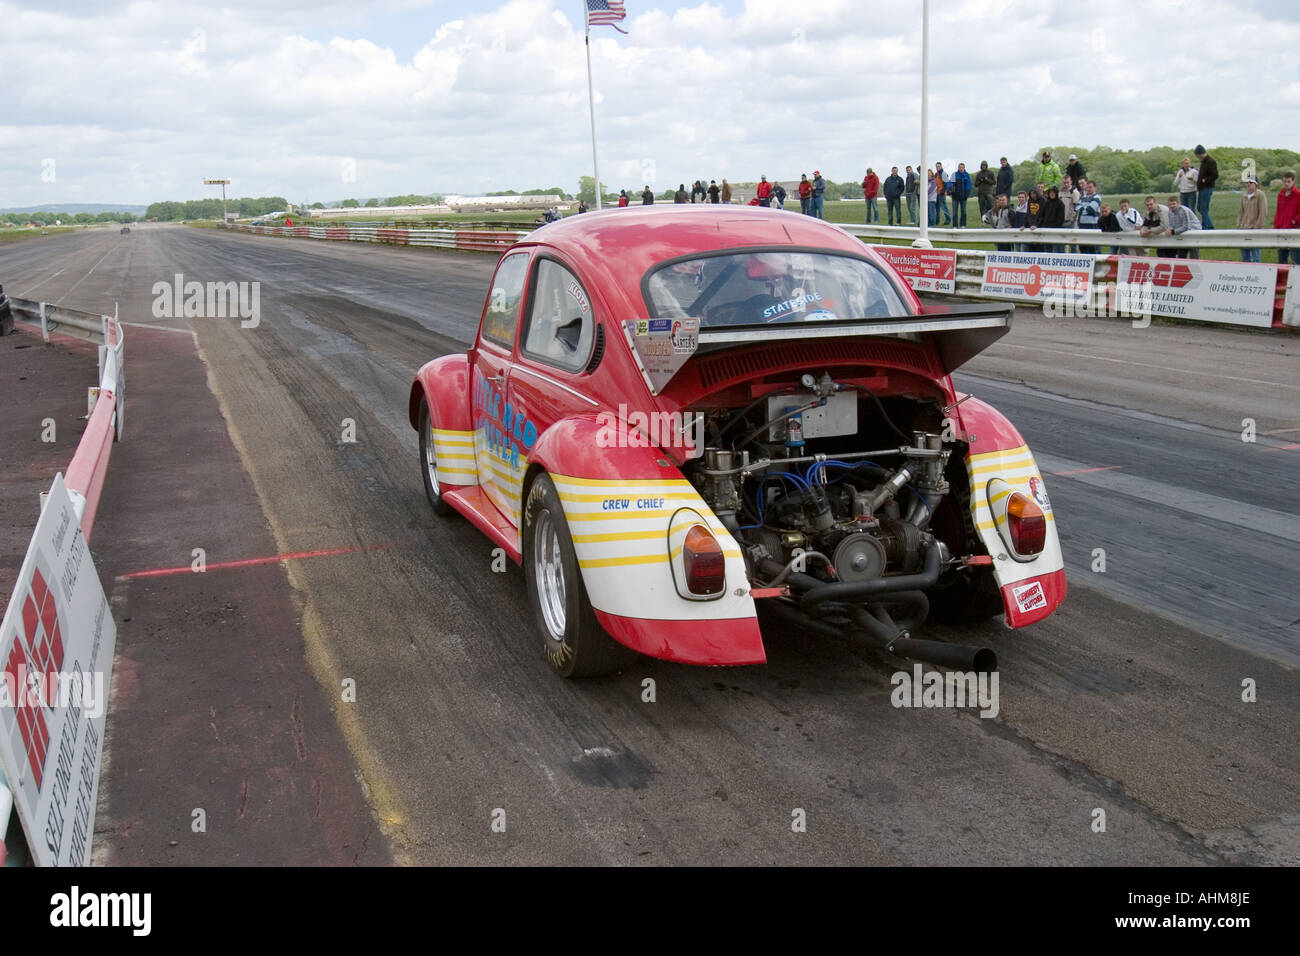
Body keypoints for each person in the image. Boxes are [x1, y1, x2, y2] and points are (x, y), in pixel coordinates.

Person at [1236, 176, 1268, 262]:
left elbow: (1263, 212)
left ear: (1256, 184)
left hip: (1254, 229)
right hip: (1243, 229)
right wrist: (1239, 225)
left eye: (1250, 182)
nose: (1248, 184)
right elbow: (1241, 212)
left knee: (1255, 255)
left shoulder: (1260, 195)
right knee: (1245, 255)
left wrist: (1257, 227)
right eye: (1247, 182)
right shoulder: (1244, 196)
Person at [1274, 172, 1300, 265]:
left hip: (1294, 231)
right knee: (1281, 259)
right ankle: (1282, 279)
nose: (1286, 184)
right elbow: (1278, 212)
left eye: (1288, 181)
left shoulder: (1298, 194)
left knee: (1296, 259)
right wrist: (1276, 225)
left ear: (1293, 181)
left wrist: (1294, 221)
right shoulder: (1281, 194)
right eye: (1284, 181)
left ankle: (1297, 279)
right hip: (1281, 230)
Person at [1194, 145, 1218, 228]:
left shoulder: (1211, 161)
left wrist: (1204, 180)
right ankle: (1205, 226)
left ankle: (1209, 227)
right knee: (1200, 208)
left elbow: (1215, 175)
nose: (1197, 157)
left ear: (1199, 154)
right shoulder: (1203, 162)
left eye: (1196, 155)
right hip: (1202, 188)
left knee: (1204, 209)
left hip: (1207, 188)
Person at [1075, 181, 1102, 254]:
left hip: (1092, 225)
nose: (1089, 189)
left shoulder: (1097, 197)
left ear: (1095, 187)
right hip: (1082, 225)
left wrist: (1083, 208)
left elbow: (1091, 209)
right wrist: (1084, 209)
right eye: (1087, 187)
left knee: (1092, 248)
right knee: (1083, 247)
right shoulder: (1083, 197)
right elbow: (1077, 208)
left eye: (1090, 187)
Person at [1039, 186, 1065, 251]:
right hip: (1046, 229)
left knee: (1055, 248)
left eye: (1053, 192)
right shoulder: (1046, 203)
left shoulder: (1060, 203)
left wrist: (1054, 227)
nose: (1052, 194)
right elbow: (1042, 215)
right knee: (1047, 248)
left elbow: (1061, 218)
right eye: (1050, 192)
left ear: (1056, 193)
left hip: (1056, 230)